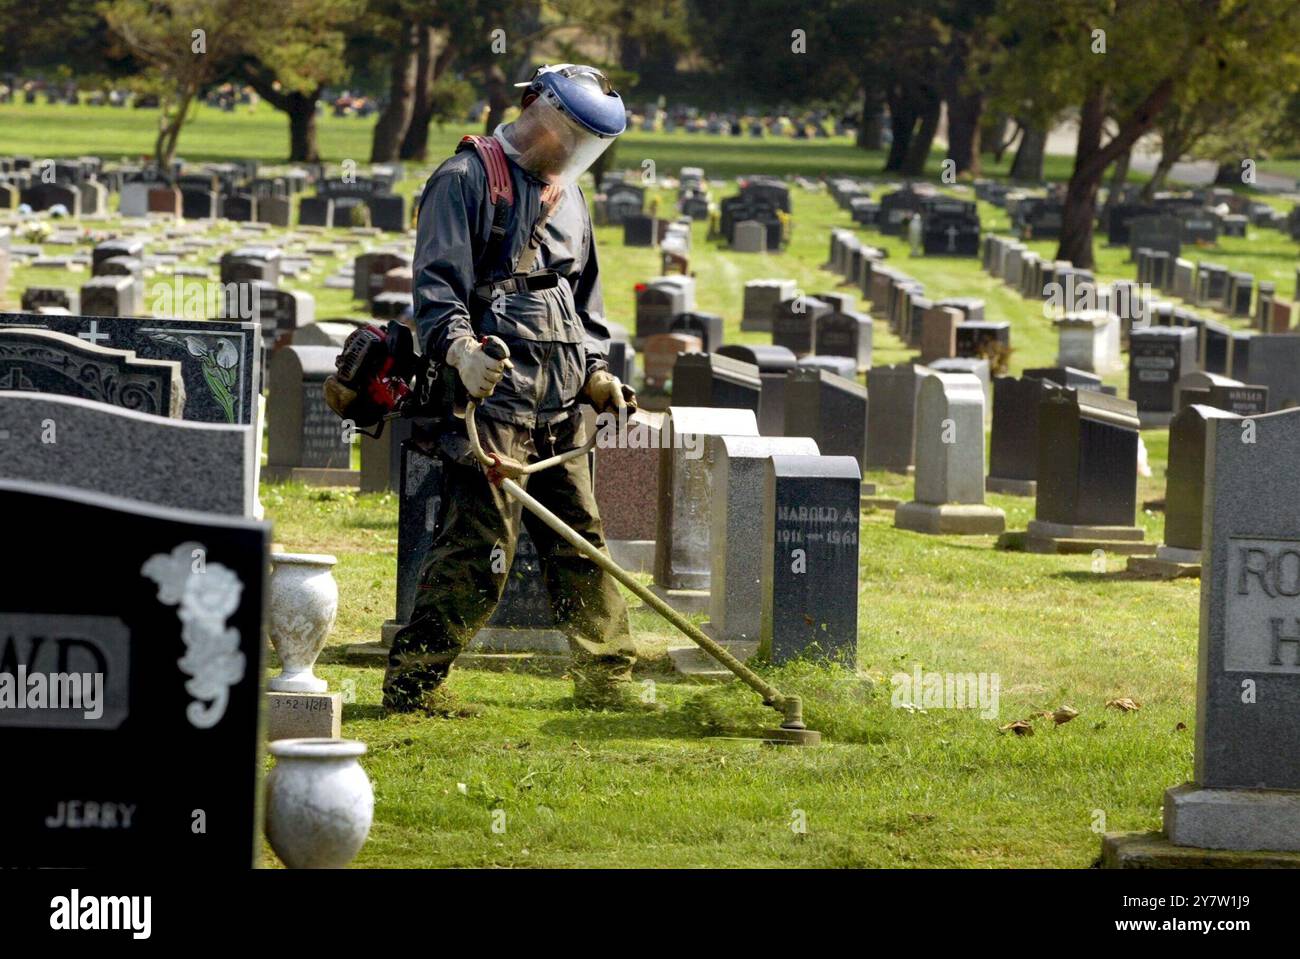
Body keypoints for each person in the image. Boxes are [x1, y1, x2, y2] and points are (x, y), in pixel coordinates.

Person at [382, 64, 643, 717]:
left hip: (559, 403)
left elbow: (582, 302)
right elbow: (437, 289)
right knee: (479, 547)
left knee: (582, 542)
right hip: (491, 400)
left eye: (587, 142)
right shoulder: (465, 180)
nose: (571, 150)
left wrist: (597, 373)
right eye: (567, 132)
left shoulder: (572, 197)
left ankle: (608, 677)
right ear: (533, 106)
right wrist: (461, 353)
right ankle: (414, 682)